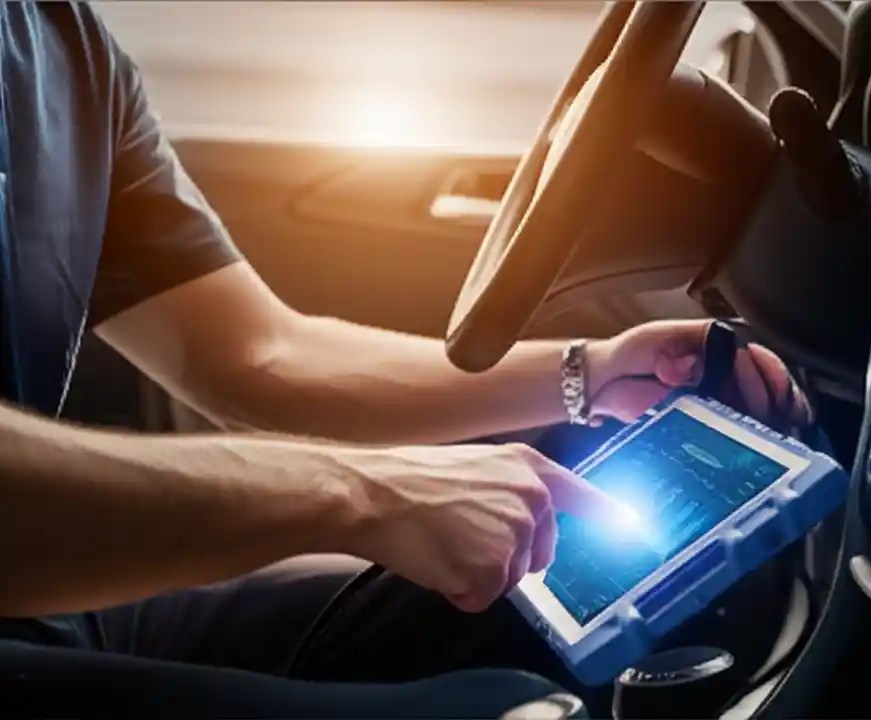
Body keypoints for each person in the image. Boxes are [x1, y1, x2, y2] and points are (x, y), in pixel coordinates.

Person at [0, 3, 810, 717]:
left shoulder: (66, 42)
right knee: (519, 708)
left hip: (52, 603)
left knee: (537, 610)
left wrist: (590, 374)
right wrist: (359, 491)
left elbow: (259, 354)